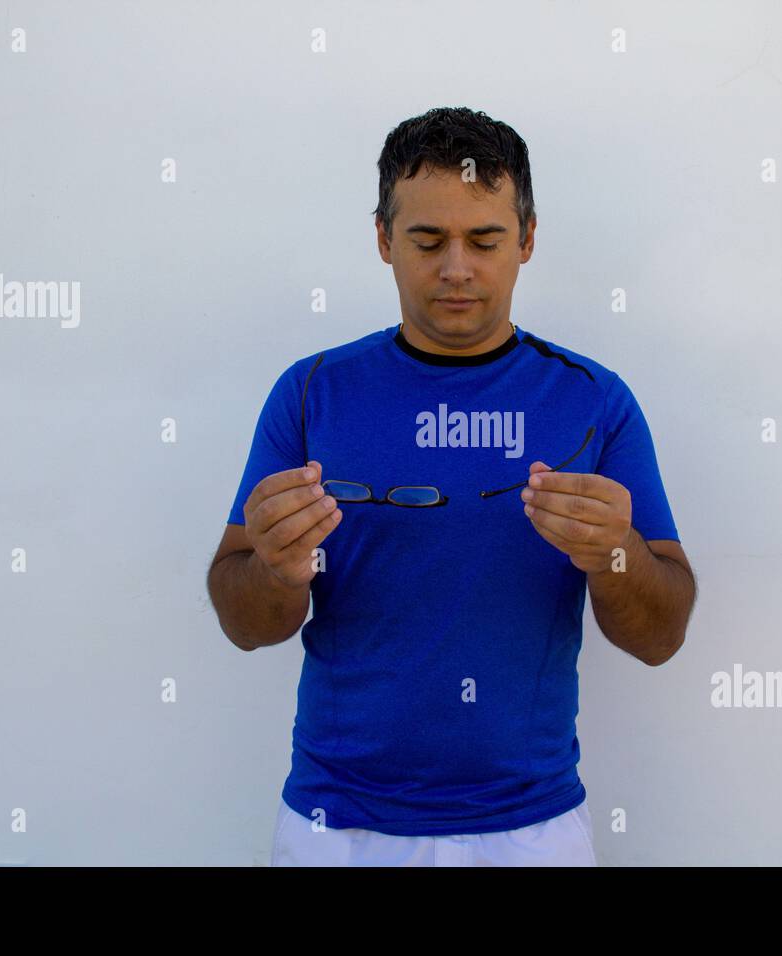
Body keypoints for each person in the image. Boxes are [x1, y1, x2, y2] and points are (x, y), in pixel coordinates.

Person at [207, 107, 697, 866]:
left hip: (531, 828)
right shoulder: (311, 394)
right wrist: (273, 569)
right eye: (427, 240)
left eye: (486, 239)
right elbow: (244, 621)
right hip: (337, 828)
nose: (456, 268)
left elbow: (661, 637)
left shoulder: (594, 402)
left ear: (528, 239)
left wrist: (617, 554)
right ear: (382, 239)